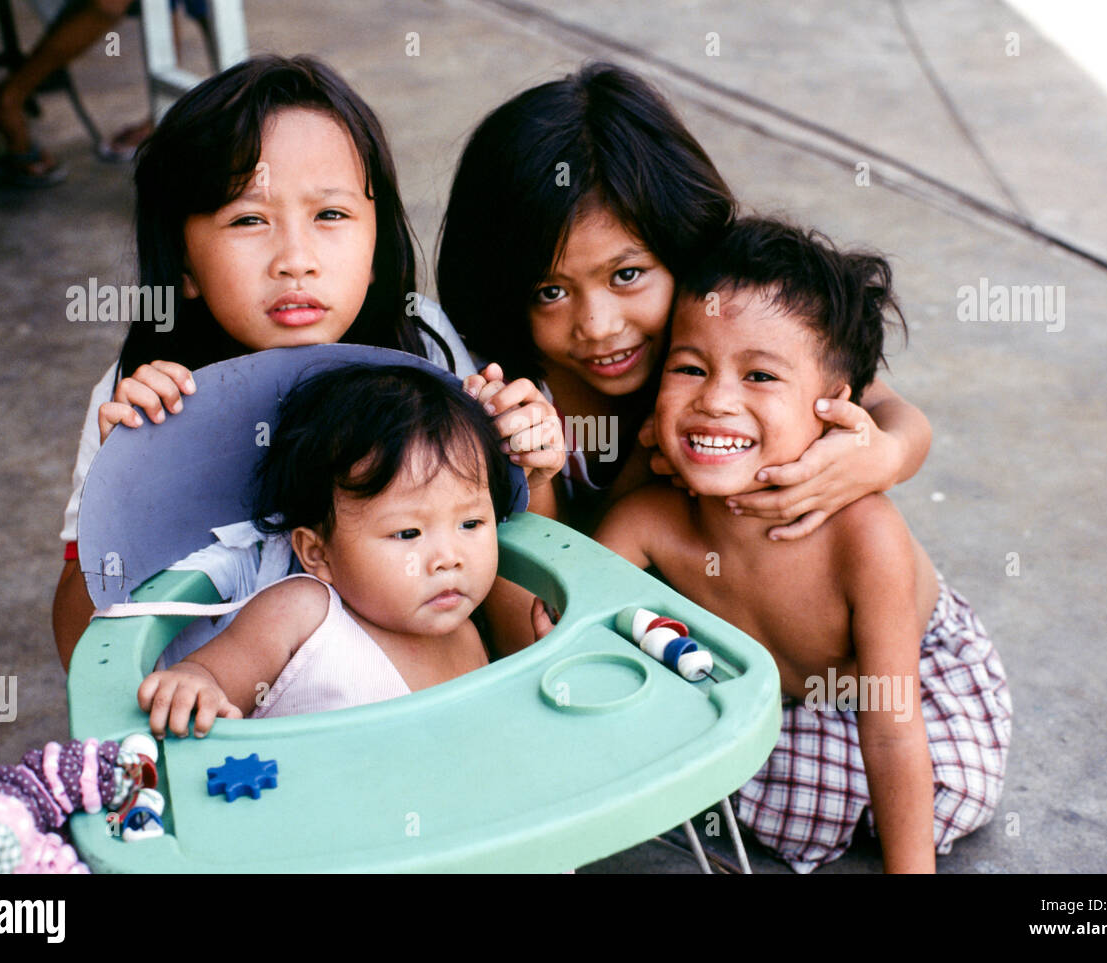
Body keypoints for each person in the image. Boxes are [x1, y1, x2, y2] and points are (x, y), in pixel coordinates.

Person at [53, 55, 561, 669]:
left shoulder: (421, 349)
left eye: (331, 215)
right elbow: (84, 648)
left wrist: (529, 475)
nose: (295, 259)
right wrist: (125, 492)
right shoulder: (142, 396)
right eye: (247, 219)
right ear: (182, 262)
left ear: (378, 243)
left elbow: (512, 594)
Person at [589, 217, 1012, 873]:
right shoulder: (651, 519)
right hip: (774, 692)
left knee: (951, 791)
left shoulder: (863, 533)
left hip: (906, 684)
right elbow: (576, 622)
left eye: (760, 376)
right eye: (690, 367)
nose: (716, 401)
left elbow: (892, 726)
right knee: (678, 752)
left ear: (834, 408)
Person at [439, 63, 932, 540]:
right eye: (551, 292)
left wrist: (884, 456)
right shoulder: (505, 393)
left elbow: (890, 409)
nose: (598, 325)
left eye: (627, 275)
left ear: (683, 246)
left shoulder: (721, 332)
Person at [138, 362, 552, 737]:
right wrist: (194, 683)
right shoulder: (304, 613)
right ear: (318, 554)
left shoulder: (463, 631)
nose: (449, 557)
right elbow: (209, 673)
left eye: (471, 524)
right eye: (408, 534)